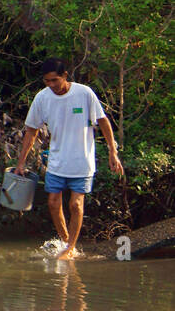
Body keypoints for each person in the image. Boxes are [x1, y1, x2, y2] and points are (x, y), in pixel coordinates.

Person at [14, 59, 123, 260]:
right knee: (53, 203)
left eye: (55, 80)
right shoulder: (42, 98)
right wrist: (21, 163)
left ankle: (71, 246)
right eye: (47, 81)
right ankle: (66, 243)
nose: (51, 85)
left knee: (76, 205)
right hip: (57, 160)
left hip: (82, 161)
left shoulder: (84, 93)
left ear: (65, 75)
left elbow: (103, 121)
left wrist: (112, 151)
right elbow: (31, 131)